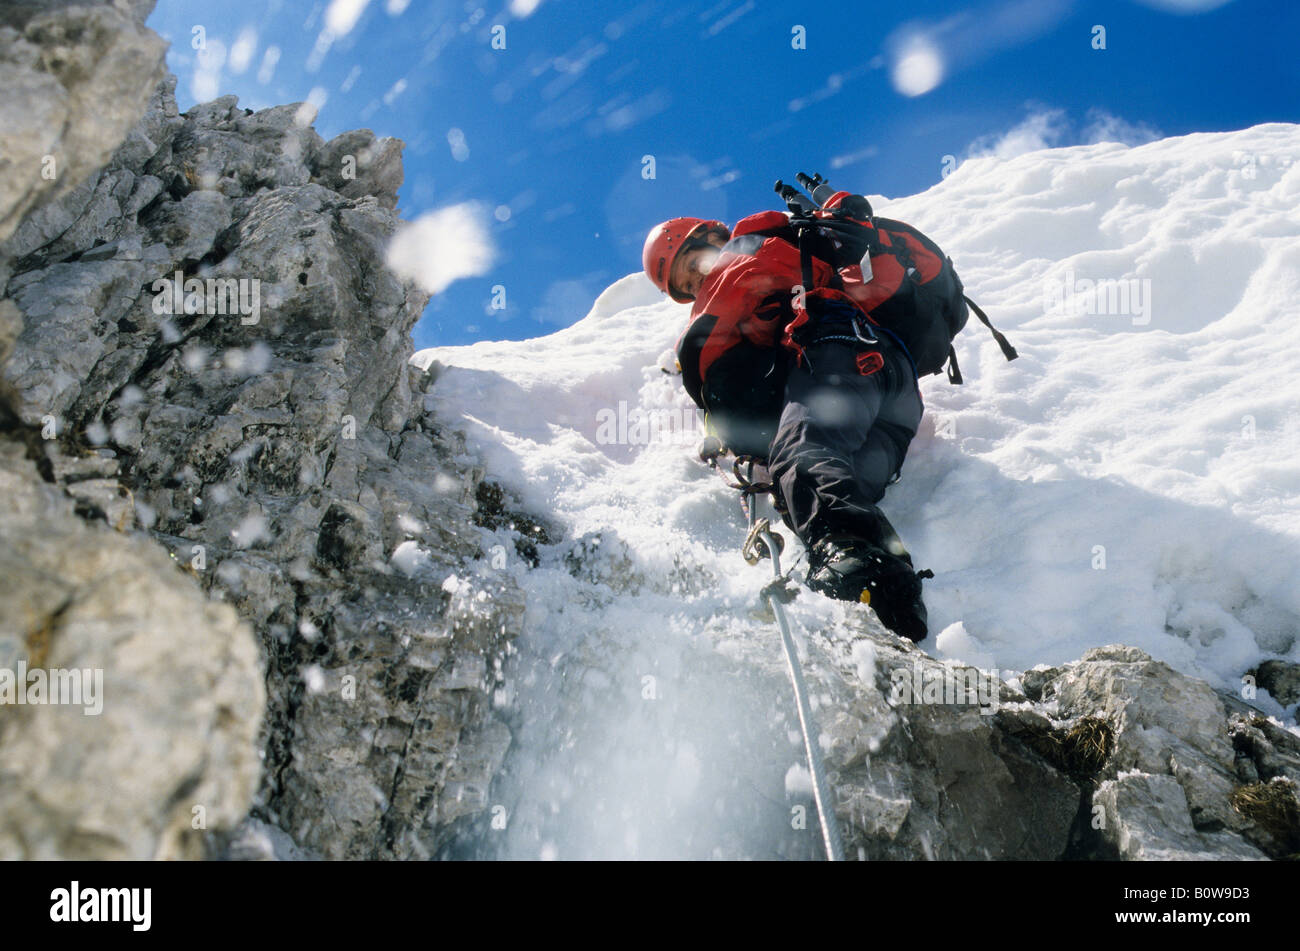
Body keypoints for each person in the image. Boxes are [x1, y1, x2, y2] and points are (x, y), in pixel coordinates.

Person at [642, 192, 980, 641]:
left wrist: (716, 404)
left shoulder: (750, 249)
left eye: (692, 266)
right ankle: (893, 601)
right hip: (894, 393)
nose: (697, 285)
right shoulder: (800, 243)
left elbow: (712, 342)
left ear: (711, 236)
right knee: (841, 479)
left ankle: (856, 562)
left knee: (803, 453)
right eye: (686, 288)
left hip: (840, 352)